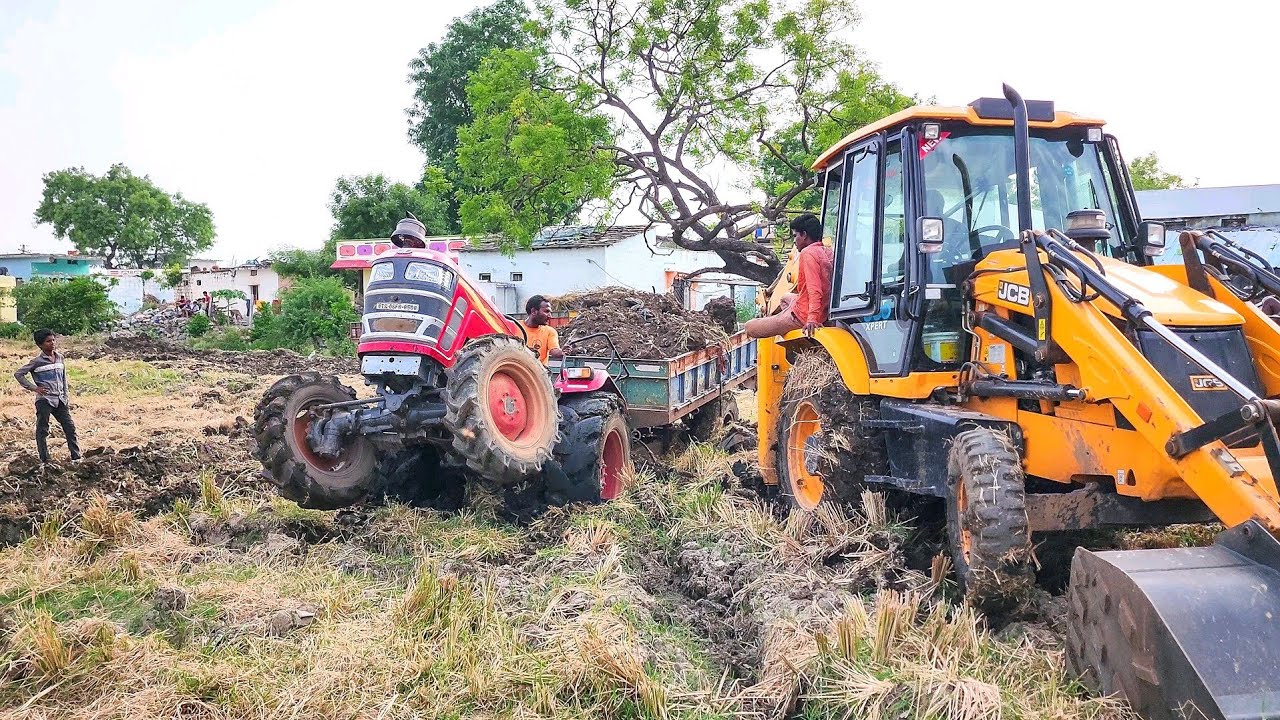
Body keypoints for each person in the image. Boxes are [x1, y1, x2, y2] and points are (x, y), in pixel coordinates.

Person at [746, 213, 834, 338]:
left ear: (804, 235)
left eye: (795, 236)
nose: (794, 241)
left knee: (749, 327)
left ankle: (785, 323)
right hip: (821, 310)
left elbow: (815, 290)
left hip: (802, 316)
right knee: (784, 298)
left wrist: (812, 320)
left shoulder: (807, 253)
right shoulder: (828, 252)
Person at [14, 328, 80, 464]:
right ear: (40, 345)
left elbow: (63, 379)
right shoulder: (37, 362)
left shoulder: (60, 358)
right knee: (43, 429)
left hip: (60, 399)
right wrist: (35, 388)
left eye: (53, 340)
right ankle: (45, 459)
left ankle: (76, 457)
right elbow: (18, 374)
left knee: (70, 427)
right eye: (48, 341)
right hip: (45, 400)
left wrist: (66, 396)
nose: (52, 343)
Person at [523, 295, 564, 365]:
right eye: (547, 311)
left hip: (540, 374)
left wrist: (562, 352)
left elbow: (554, 351)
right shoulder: (515, 327)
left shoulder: (550, 332)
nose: (550, 316)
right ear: (533, 311)